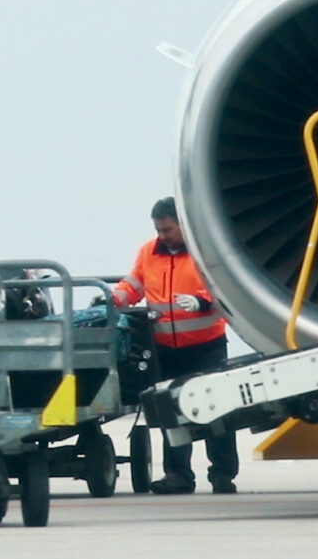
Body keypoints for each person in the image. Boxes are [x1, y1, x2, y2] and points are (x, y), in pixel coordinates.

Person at [112, 195, 239, 495]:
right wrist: (116, 298)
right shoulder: (149, 252)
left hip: (206, 346)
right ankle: (179, 475)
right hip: (165, 349)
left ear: (183, 224)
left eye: (167, 230)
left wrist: (201, 301)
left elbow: (224, 287)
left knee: (216, 411)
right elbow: (134, 285)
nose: (162, 236)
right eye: (158, 230)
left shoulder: (204, 250)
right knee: (171, 413)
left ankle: (222, 475)